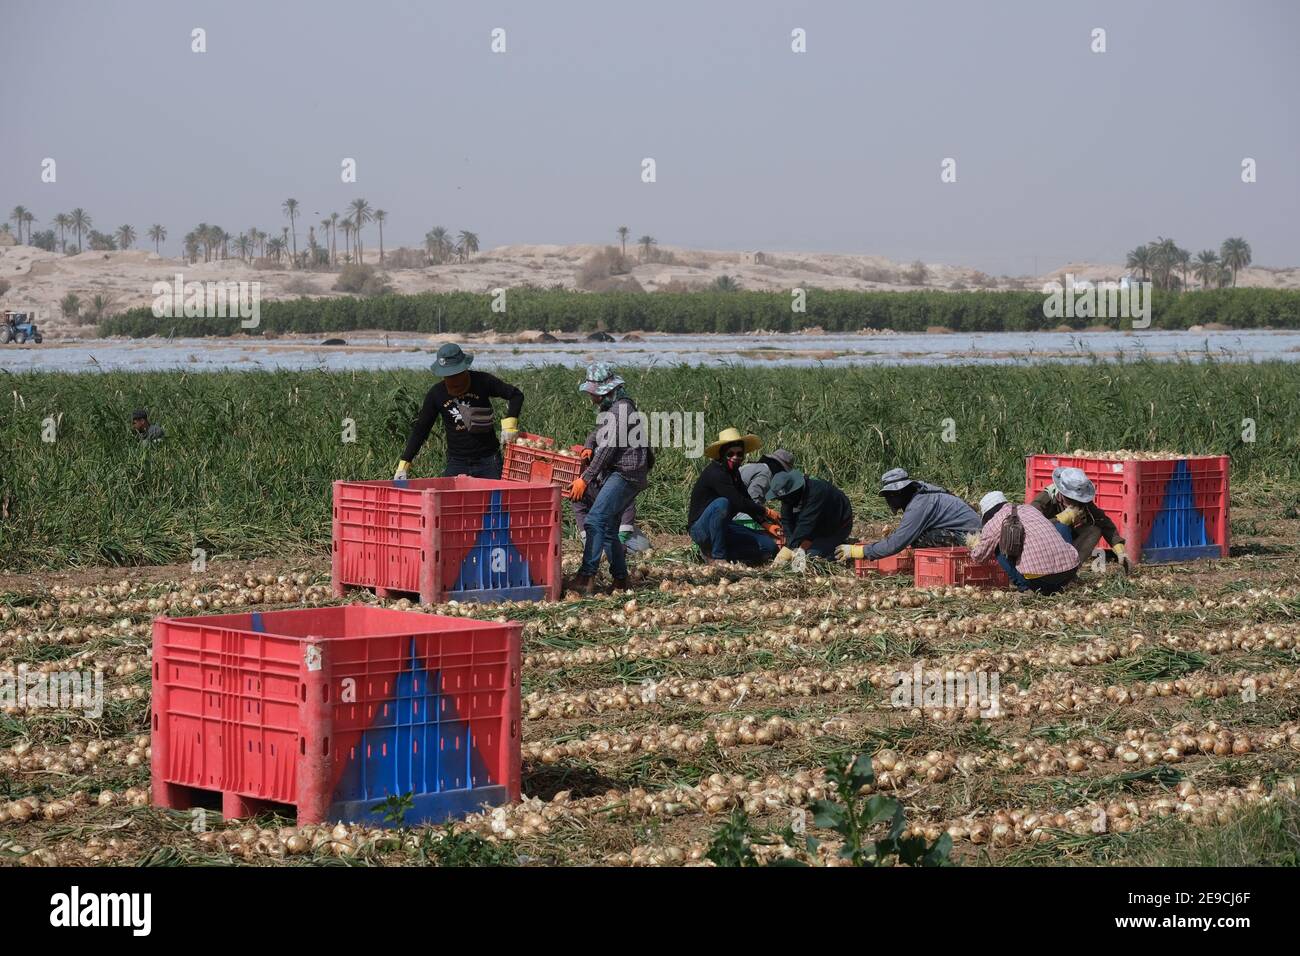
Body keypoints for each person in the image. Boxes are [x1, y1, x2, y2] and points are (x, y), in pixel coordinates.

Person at [566, 364, 652, 594]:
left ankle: (586, 577)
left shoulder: (621, 410)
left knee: (595, 521)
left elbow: (607, 450)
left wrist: (584, 479)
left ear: (604, 390)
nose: (590, 395)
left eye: (592, 391)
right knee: (609, 530)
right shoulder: (613, 408)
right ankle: (621, 581)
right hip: (622, 472)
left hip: (626, 474)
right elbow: (598, 435)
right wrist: (588, 446)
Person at [395, 342, 523, 480]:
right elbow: (421, 429)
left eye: (456, 374)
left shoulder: (482, 381)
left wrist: (510, 427)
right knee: (451, 501)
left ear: (465, 368)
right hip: (457, 463)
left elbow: (516, 395)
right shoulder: (436, 394)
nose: (453, 380)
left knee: (495, 501)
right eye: (448, 376)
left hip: (489, 460)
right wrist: (404, 465)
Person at [835, 468, 980, 562]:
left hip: (972, 539)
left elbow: (896, 544)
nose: (888, 500)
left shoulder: (919, 505)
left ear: (898, 493)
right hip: (970, 531)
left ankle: (955, 563)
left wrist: (857, 551)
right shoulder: (922, 490)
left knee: (918, 539)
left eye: (889, 496)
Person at [687, 428, 780, 565]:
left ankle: (713, 554)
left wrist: (765, 524)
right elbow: (738, 501)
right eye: (731, 453)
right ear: (722, 454)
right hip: (701, 528)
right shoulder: (715, 473)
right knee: (722, 503)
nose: (735, 457)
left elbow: (746, 499)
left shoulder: (734, 473)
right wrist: (767, 511)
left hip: (724, 527)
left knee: (769, 547)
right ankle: (719, 557)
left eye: (739, 453)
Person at [969, 491, 1080, 594]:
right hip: (1068, 574)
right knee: (1061, 526)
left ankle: (1024, 588)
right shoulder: (1030, 509)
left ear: (988, 514)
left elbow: (979, 557)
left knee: (998, 547)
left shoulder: (995, 521)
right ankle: (1067, 582)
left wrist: (972, 549)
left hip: (1041, 582)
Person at [1028, 466, 1130, 572]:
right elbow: (1028, 526)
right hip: (1041, 548)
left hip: (1065, 546)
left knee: (1094, 530)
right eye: (1070, 498)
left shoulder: (1082, 504)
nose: (1074, 502)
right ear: (1061, 492)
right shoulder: (1044, 500)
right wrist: (1059, 520)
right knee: (1062, 527)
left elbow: (1103, 521)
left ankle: (1070, 571)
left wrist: (1119, 549)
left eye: (1077, 499)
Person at [569, 443, 650, 553]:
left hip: (615, 525)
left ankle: (616, 548)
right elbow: (580, 512)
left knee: (643, 546)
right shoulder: (580, 484)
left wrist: (622, 537)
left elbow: (628, 507)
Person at [766, 469, 854, 565]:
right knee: (798, 554)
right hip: (813, 527)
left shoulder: (817, 492)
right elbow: (787, 520)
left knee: (810, 556)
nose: (784, 502)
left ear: (794, 490)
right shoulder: (789, 498)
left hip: (835, 527)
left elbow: (806, 523)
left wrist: (789, 549)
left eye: (786, 499)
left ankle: (839, 547)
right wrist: (790, 542)